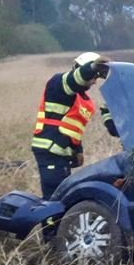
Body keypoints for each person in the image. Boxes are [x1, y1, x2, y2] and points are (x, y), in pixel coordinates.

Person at [31, 52, 113, 199]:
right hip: (50, 151)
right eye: (94, 77)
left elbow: (72, 128)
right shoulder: (59, 84)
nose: (95, 82)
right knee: (55, 199)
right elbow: (75, 79)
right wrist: (93, 67)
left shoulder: (80, 98)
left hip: (62, 154)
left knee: (62, 197)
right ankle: (52, 222)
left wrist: (77, 150)